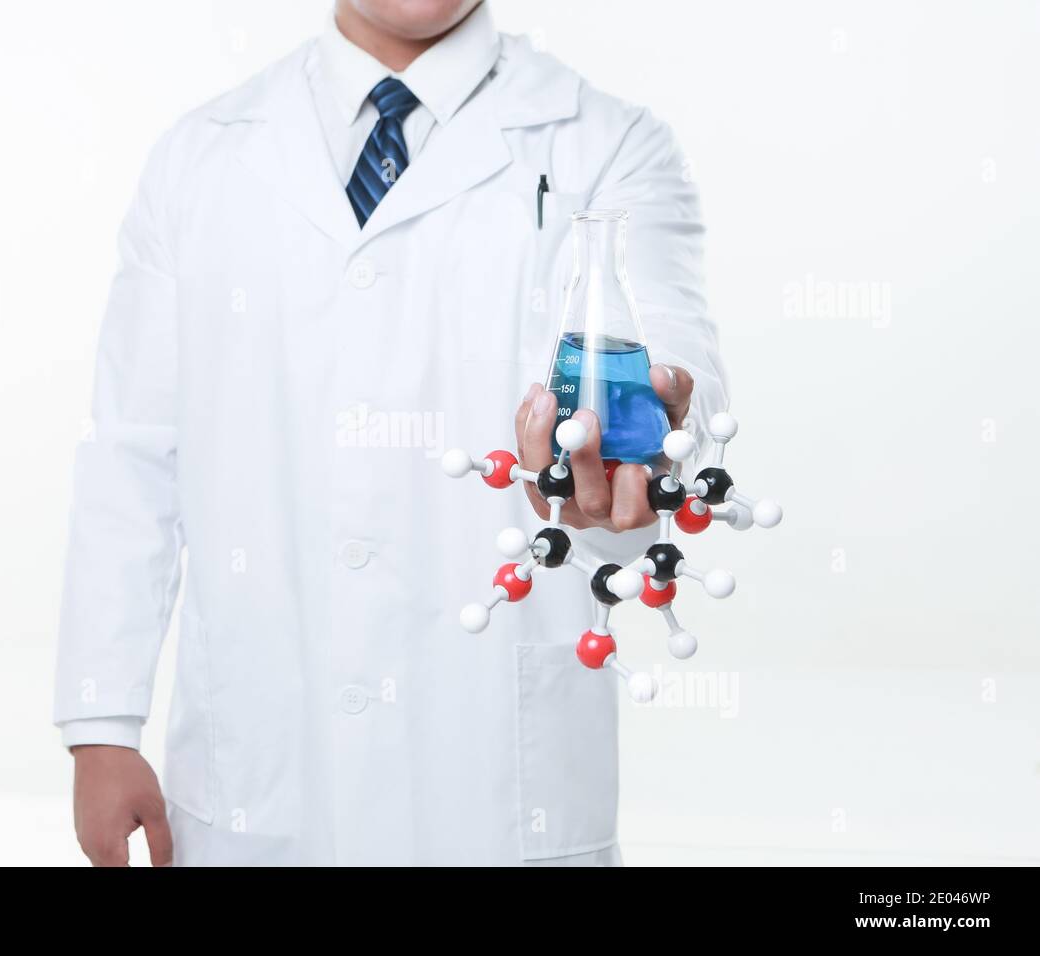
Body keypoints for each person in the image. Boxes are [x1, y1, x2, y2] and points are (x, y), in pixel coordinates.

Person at [55, 0, 726, 866]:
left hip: (493, 777)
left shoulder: (609, 146)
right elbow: (133, 454)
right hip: (257, 775)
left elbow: (668, 360)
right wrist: (102, 719)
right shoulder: (200, 157)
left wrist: (649, 444)